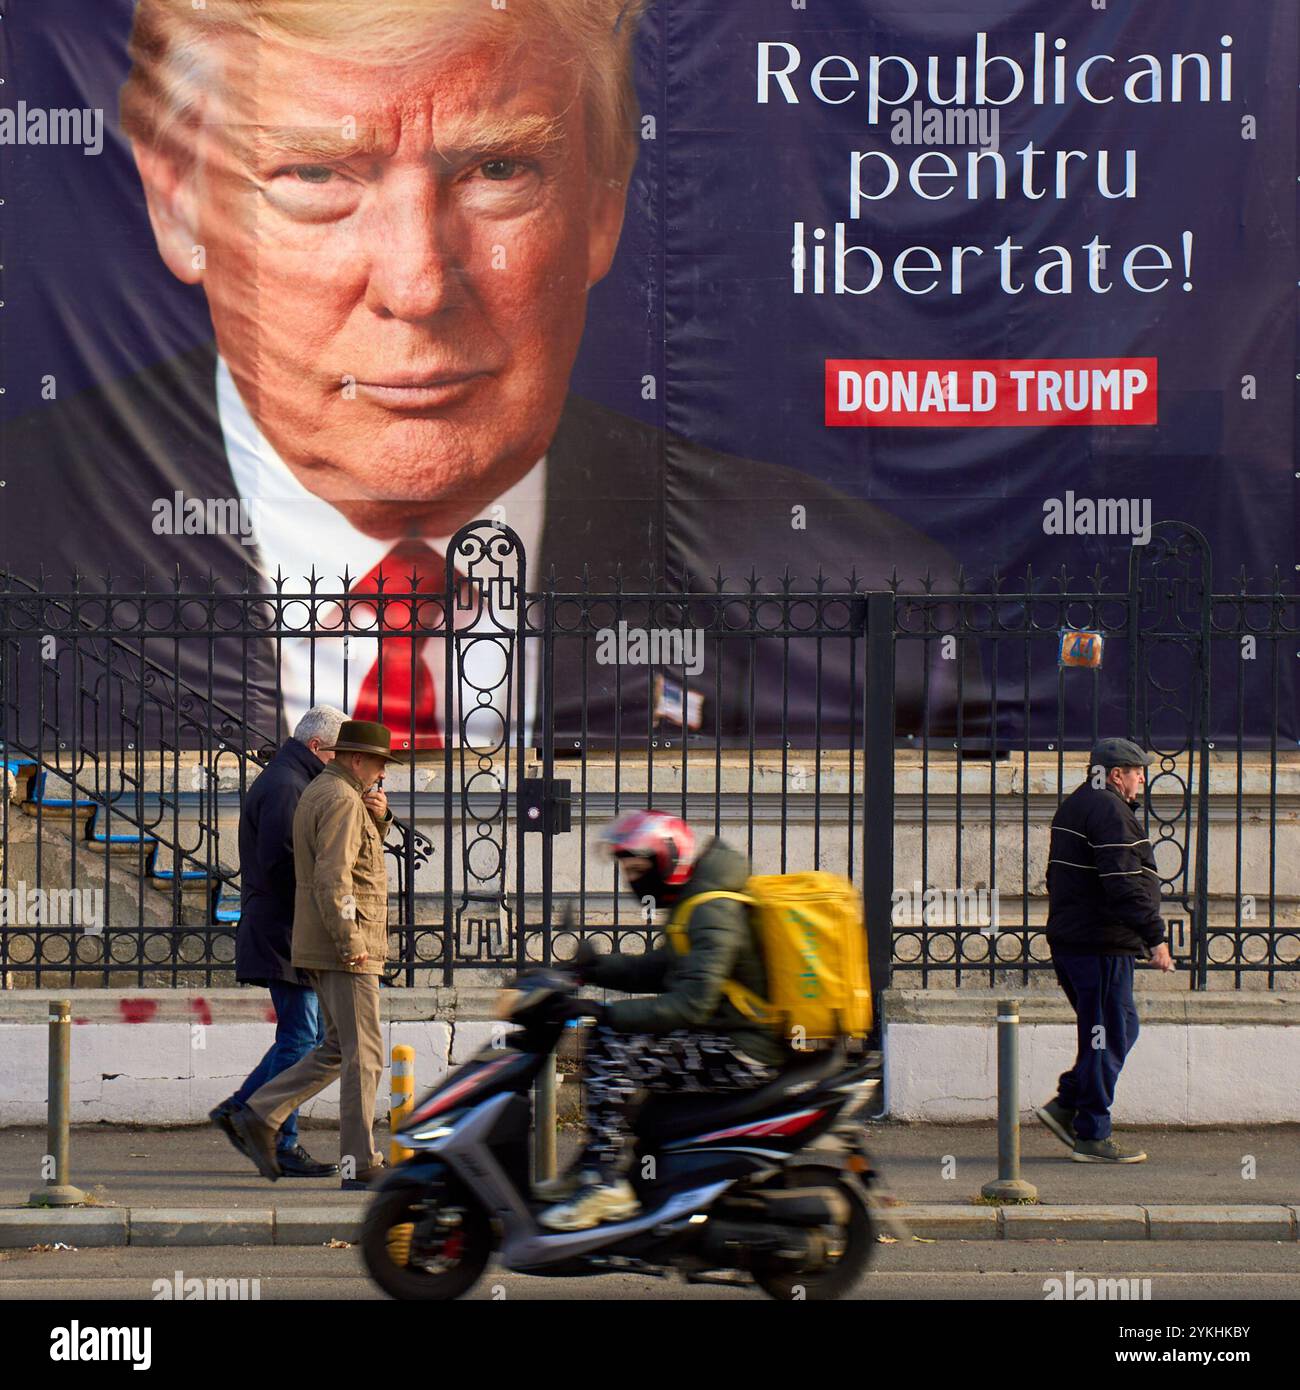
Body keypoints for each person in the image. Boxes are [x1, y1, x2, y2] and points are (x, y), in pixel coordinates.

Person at [2, 0, 971, 748]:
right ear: (175, 197)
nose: (417, 283)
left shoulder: (863, 611)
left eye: (497, 170)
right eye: (315, 176)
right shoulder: (23, 555)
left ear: (605, 192)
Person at [536, 809, 788, 1232]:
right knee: (614, 1040)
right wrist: (594, 969)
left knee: (611, 1045)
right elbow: (662, 969)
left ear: (667, 861)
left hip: (743, 1047)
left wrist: (604, 1012)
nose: (633, 880)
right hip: (722, 1035)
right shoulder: (697, 899)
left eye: (637, 869)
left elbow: (691, 1003)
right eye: (627, 871)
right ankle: (601, 1169)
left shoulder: (713, 908)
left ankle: (601, 1181)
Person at [228, 719, 397, 1190]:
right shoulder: (341, 799)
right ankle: (361, 1163)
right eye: (379, 764)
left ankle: (262, 1111)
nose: (381, 775)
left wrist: (378, 818)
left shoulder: (326, 791)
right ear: (357, 758)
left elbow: (347, 860)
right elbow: (333, 878)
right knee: (365, 1055)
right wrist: (351, 943)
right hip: (346, 945)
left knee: (337, 1048)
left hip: (326, 943)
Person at [211, 705, 359, 1177]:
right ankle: (268, 1129)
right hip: (285, 930)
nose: (344, 763)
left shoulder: (291, 779)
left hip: (286, 928)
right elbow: (285, 861)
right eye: (339, 752)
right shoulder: (288, 786)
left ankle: (245, 1112)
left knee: (305, 1036)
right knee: (304, 1038)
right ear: (317, 747)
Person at [1036, 738, 1174, 1164]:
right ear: (1116, 774)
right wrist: (1155, 936)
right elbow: (1123, 883)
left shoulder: (1077, 805)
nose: (1142, 779)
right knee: (1107, 1033)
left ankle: (1067, 1105)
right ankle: (1092, 1133)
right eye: (1137, 772)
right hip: (1099, 944)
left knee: (1115, 1028)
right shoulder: (1109, 811)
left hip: (1081, 941)